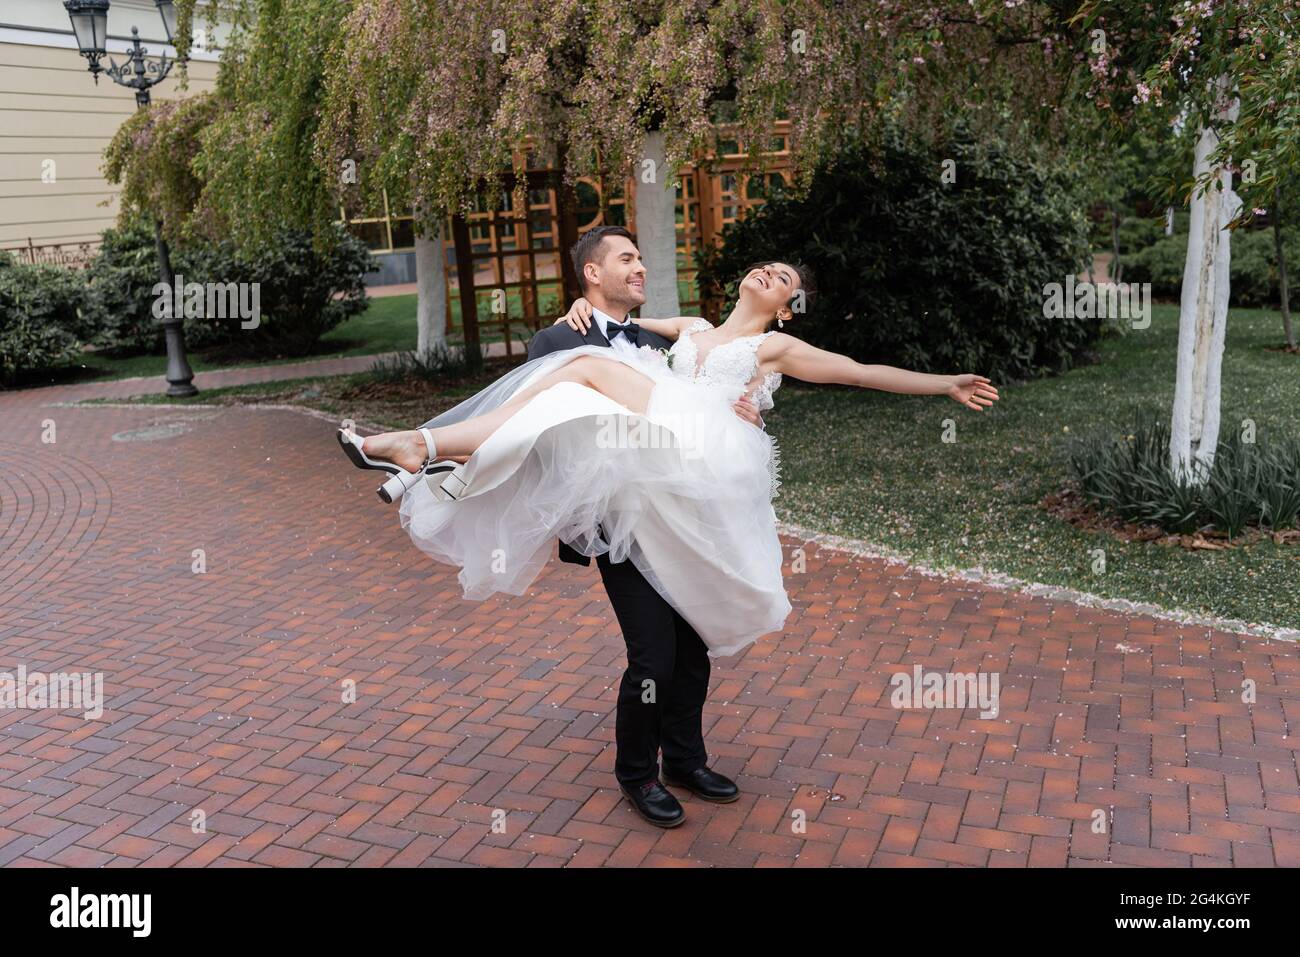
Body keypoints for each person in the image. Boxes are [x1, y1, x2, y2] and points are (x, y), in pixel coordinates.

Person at [337, 225, 1000, 826]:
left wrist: (943, 383)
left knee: (686, 639)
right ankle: (640, 773)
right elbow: (613, 330)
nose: (770, 274)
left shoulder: (776, 345)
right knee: (662, 649)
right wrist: (581, 310)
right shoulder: (684, 326)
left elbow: (859, 373)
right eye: (767, 266)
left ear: (788, 306)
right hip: (648, 497)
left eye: (784, 281)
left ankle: (685, 758)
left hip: (705, 460)